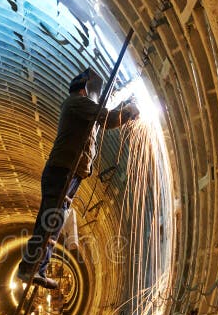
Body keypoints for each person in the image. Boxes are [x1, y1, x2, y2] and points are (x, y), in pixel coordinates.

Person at [17, 68, 139, 289]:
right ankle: (30, 268)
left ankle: (37, 268)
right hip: (63, 171)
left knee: (53, 222)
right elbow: (108, 119)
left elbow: (106, 105)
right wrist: (129, 111)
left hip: (68, 172)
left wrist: (127, 90)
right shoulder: (77, 103)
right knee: (50, 221)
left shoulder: (81, 105)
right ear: (85, 90)